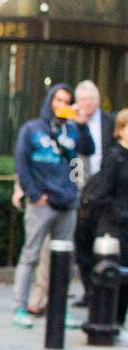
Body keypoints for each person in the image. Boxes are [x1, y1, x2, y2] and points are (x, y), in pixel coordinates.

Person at [11, 83, 94, 328]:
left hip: (66, 202)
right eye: (58, 100)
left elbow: (88, 149)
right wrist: (34, 194)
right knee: (31, 254)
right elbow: (22, 163)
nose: (61, 105)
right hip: (42, 202)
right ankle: (20, 306)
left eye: (67, 101)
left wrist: (81, 123)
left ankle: (58, 308)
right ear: (50, 101)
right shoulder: (32, 129)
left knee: (64, 259)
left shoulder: (72, 130)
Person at [84, 109, 128, 326]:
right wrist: (119, 212)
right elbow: (101, 193)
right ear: (120, 130)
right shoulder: (113, 157)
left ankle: (119, 320)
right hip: (114, 225)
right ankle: (106, 321)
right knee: (112, 273)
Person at [73, 81, 115, 306]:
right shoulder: (71, 123)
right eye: (82, 100)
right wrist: (76, 187)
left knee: (103, 243)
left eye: (90, 100)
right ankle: (89, 291)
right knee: (82, 245)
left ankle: (103, 290)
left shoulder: (111, 122)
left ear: (97, 101)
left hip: (106, 191)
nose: (87, 104)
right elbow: (73, 158)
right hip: (82, 190)